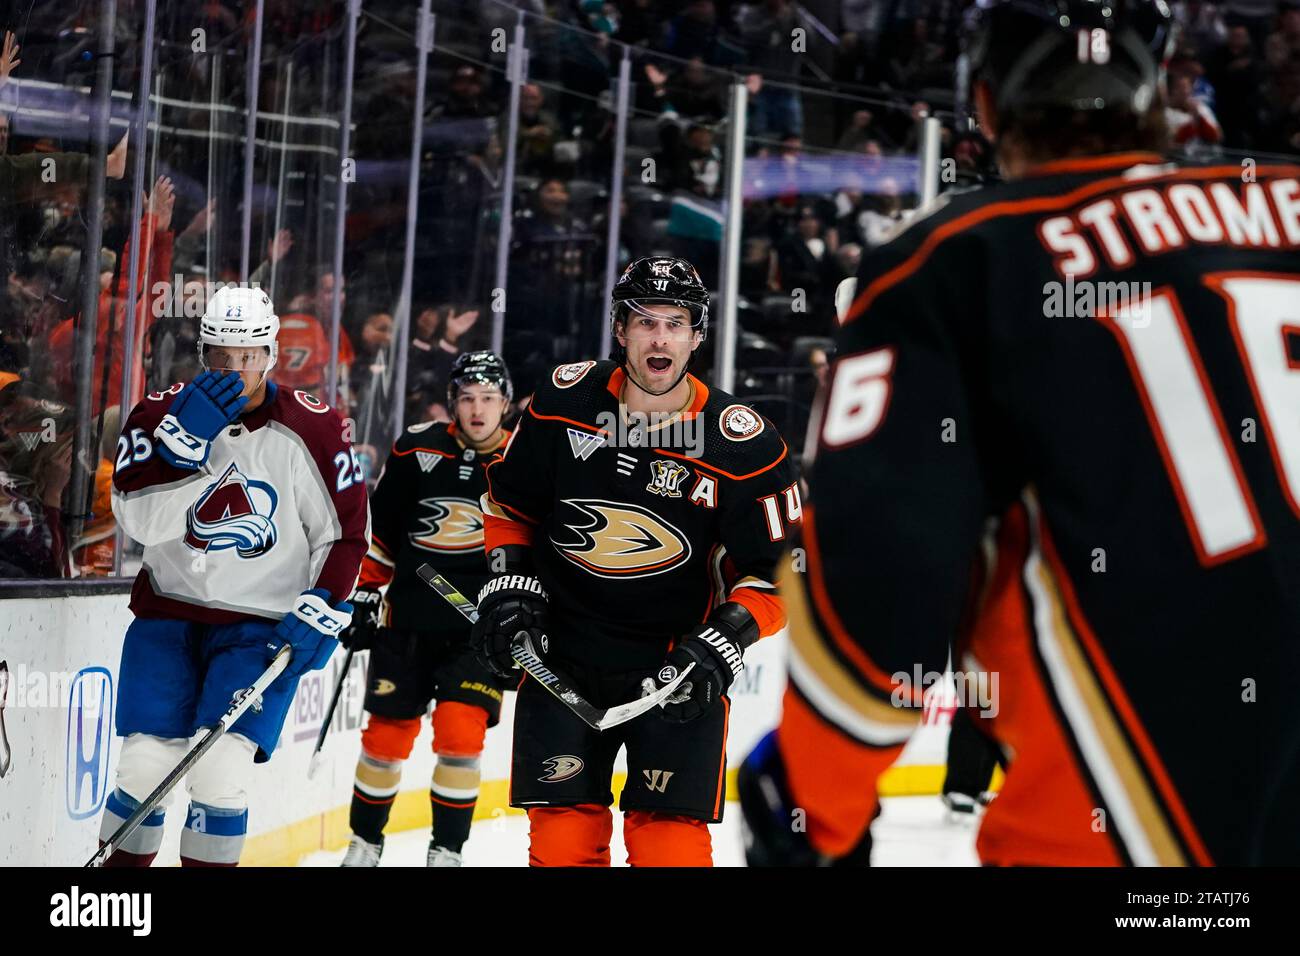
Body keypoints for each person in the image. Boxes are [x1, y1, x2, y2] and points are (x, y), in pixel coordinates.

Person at [739, 0, 1300, 866]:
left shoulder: (954, 262)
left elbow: (881, 585)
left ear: (989, 107)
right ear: (1166, 97)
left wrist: (808, 804)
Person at [471, 256, 800, 867]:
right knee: (563, 846)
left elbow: (783, 572)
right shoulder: (565, 399)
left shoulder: (743, 444)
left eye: (676, 324)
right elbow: (509, 504)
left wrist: (723, 639)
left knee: (669, 849)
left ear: (698, 335)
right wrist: (510, 584)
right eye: (645, 321)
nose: (660, 338)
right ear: (620, 329)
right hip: (560, 656)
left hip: (676, 668)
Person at [98, 286, 369, 866]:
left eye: (248, 356)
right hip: (168, 616)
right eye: (222, 356)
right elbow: (140, 525)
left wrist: (325, 601)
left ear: (270, 353)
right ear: (203, 354)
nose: (235, 370)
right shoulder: (154, 415)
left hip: (260, 631)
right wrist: (183, 446)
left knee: (219, 773)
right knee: (143, 768)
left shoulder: (316, 429)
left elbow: (345, 535)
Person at [338, 351, 514, 868]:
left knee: (461, 736)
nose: (477, 410)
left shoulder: (524, 461)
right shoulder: (417, 449)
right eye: (467, 399)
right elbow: (385, 532)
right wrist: (368, 593)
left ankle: (446, 852)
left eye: (487, 399)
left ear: (505, 402)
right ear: (451, 405)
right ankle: (365, 842)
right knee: (385, 739)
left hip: (479, 632)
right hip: (408, 620)